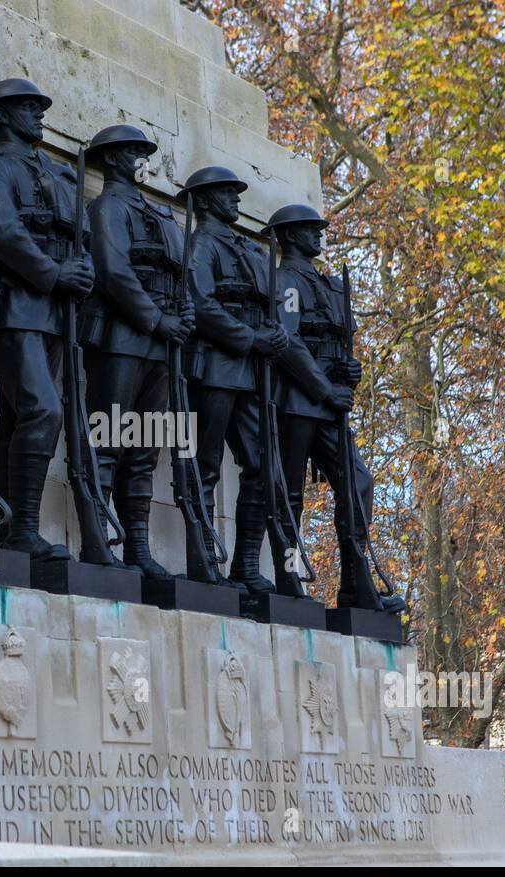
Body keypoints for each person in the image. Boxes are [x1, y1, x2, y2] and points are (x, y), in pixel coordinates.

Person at [0, 78, 95, 560]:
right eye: (28, 107)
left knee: (20, 414)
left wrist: (83, 273)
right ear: (2, 116)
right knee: (44, 409)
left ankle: (13, 525)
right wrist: (54, 273)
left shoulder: (62, 176)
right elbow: (1, 230)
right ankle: (22, 528)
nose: (40, 113)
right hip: (12, 300)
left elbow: (84, 237)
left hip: (55, 309)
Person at [264, 204, 406, 609]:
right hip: (297, 400)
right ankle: (289, 577)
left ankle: (354, 582)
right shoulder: (286, 281)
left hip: (329, 403)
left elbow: (338, 343)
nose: (319, 235)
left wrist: (350, 369)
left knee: (357, 481)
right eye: (310, 229)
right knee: (289, 494)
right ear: (290, 236)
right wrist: (326, 388)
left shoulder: (327, 284)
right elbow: (288, 342)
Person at [80, 125, 195, 579]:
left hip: (161, 342)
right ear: (110, 160)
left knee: (144, 446)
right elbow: (113, 271)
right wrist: (157, 319)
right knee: (108, 439)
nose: (139, 157)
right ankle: (98, 542)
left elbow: (181, 275)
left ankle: (138, 548)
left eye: (141, 151)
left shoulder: (159, 215)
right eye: (131, 151)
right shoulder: (107, 207)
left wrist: (182, 316)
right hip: (122, 338)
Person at [181, 166, 288, 593]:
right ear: (205, 200)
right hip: (215, 368)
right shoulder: (201, 245)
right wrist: (252, 338)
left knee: (264, 467)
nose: (237, 199)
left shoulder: (248, 250)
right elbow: (201, 304)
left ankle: (244, 564)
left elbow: (271, 305)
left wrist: (275, 333)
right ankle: (203, 559)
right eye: (227, 193)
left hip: (251, 373)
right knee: (203, 466)